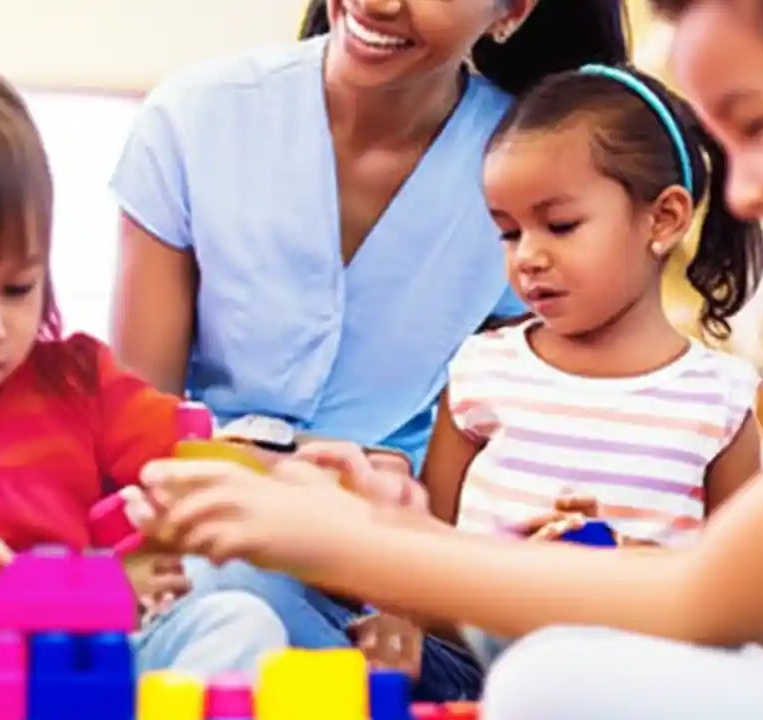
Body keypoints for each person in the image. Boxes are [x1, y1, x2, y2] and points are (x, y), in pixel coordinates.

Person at [136, 0, 763, 717]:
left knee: (553, 688)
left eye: (759, 127)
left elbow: (711, 595)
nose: (745, 196)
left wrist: (336, 545)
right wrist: (414, 539)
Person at [109, 0, 627, 702]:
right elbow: (134, 435)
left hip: (391, 582)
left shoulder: (530, 176)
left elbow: (491, 468)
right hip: (206, 544)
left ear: (512, 12)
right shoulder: (196, 120)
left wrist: (405, 597)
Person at [0, 62, 285, 720]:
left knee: (241, 622)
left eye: (18, 288)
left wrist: (313, 479)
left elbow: (203, 463)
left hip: (88, 665)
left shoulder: (75, 381)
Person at [413, 66, 763, 661]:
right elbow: (421, 574)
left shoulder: (719, 402)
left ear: (664, 219)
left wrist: (630, 575)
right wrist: (506, 582)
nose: (527, 257)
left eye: (560, 226)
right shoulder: (482, 372)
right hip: (478, 680)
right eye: (507, 232)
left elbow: (747, 605)